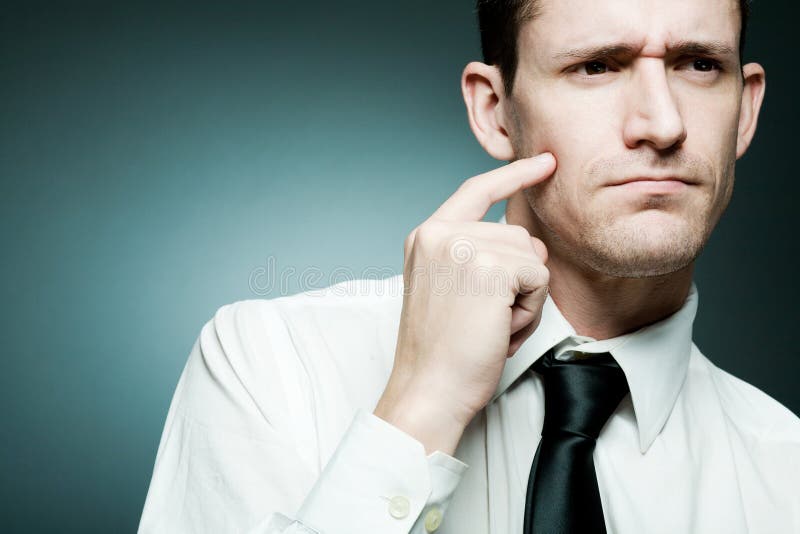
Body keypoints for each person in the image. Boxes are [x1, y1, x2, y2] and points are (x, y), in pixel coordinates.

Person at [139, 0, 800, 532]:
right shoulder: (271, 364)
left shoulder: (786, 470)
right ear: (493, 109)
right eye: (597, 66)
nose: (661, 124)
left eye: (697, 64)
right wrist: (422, 408)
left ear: (745, 110)